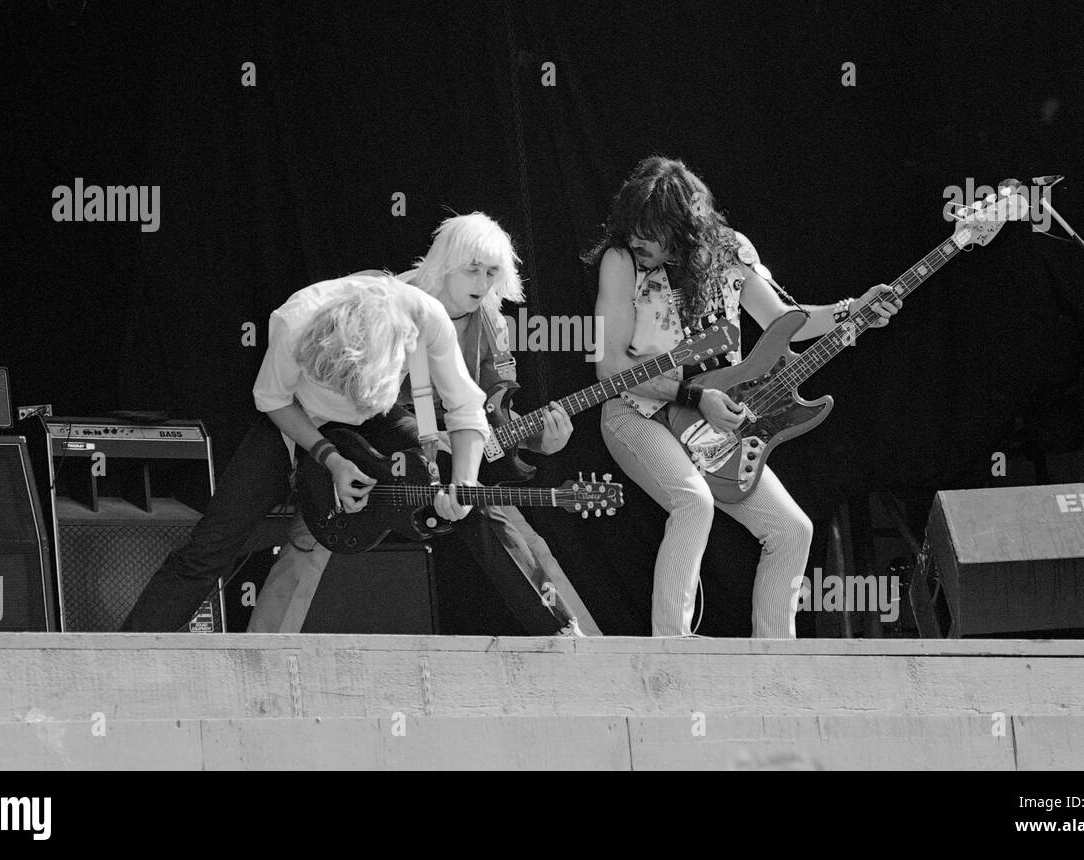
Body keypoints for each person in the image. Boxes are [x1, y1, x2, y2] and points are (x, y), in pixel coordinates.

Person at [587, 156, 902, 637]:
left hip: (706, 424)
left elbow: (786, 322)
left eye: (648, 231)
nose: (635, 240)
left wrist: (853, 309)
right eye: (631, 228)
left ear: (682, 228)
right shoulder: (621, 261)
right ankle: (669, 653)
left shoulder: (732, 253)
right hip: (636, 413)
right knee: (693, 501)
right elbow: (610, 369)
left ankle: (773, 670)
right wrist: (695, 395)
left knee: (792, 530)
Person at [121, 272, 540, 632]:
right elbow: (272, 400)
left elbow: (466, 408)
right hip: (297, 414)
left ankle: (556, 628)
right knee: (212, 543)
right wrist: (329, 457)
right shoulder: (292, 321)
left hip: (377, 411)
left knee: (462, 487)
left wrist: (462, 483)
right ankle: (121, 656)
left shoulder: (424, 316)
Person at [247, 212, 599, 635]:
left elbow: (489, 408)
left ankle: (579, 644)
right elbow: (358, 394)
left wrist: (541, 442)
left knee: (515, 533)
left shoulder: (489, 322)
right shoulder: (394, 296)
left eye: (492, 273)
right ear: (445, 263)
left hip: (446, 458)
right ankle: (262, 653)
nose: (483, 284)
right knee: (311, 538)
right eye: (474, 271)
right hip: (369, 443)